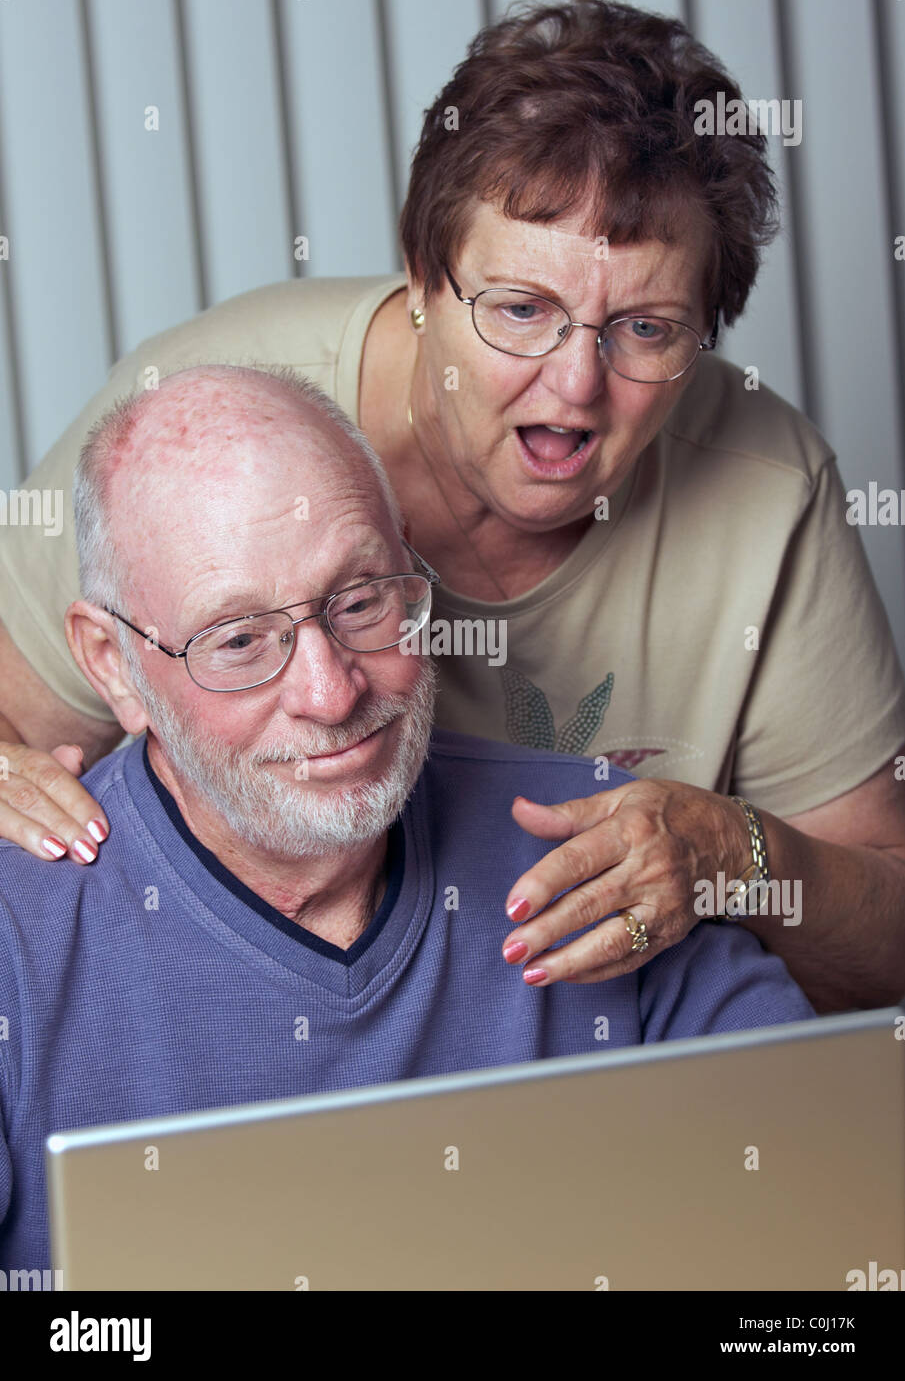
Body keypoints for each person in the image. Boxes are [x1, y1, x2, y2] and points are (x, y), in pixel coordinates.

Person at [0, 0, 902, 1012]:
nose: (573, 385)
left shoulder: (766, 490)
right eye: (520, 311)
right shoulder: (197, 424)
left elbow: (881, 944)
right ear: (424, 276)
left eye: (645, 329)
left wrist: (727, 853)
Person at [0, 365, 814, 1270]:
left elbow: (816, 1211)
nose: (330, 691)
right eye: (238, 641)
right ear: (113, 665)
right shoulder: (16, 935)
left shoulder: (598, 843)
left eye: (360, 601)